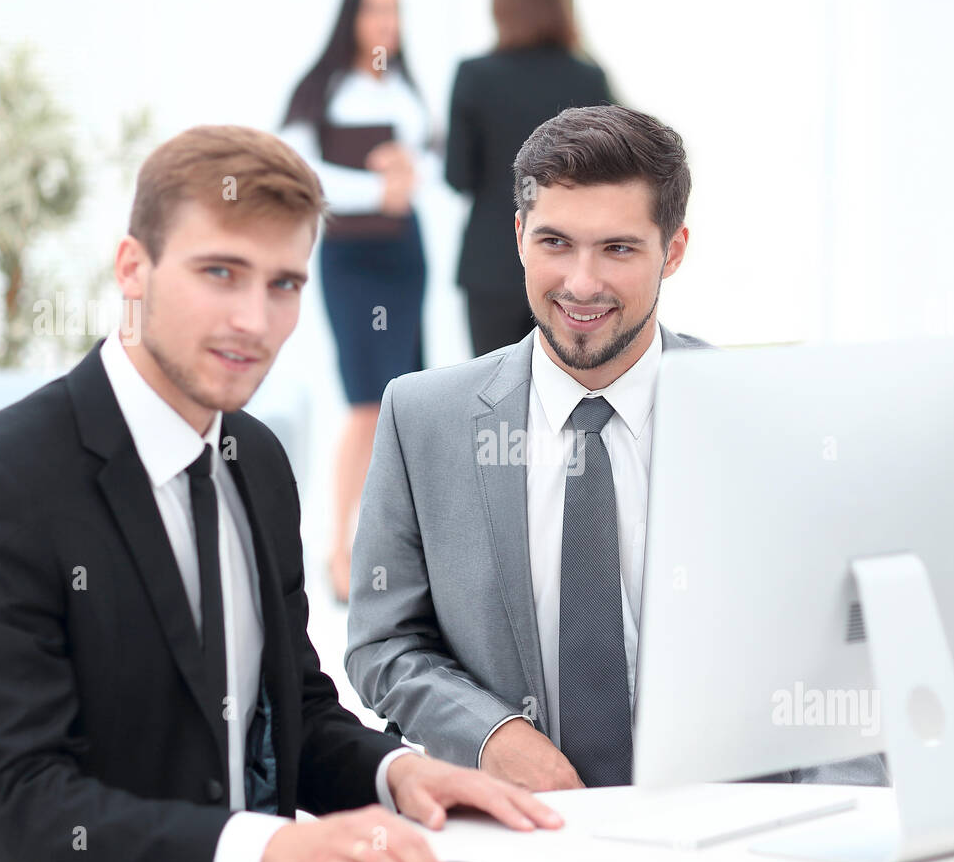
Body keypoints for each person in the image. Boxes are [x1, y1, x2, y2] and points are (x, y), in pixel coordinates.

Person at [0, 124, 559, 862]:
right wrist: (268, 848)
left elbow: (290, 711)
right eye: (221, 272)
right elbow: (16, 804)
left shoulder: (257, 460)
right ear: (132, 269)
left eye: (283, 284)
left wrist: (397, 773)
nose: (255, 319)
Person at [346, 105, 889, 791]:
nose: (580, 283)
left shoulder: (773, 417)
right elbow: (385, 643)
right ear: (518, 236)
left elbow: (839, 660)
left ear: (676, 250)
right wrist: (491, 735)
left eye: (618, 249)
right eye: (555, 243)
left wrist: (842, 831)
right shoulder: (423, 418)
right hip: (522, 836)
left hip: (732, 839)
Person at [280, 0, 438, 604]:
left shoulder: (406, 88)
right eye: (376, 13)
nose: (386, 26)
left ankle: (396, 555)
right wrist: (380, 187)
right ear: (351, 20)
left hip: (404, 257)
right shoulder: (321, 91)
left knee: (404, 401)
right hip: (353, 259)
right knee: (367, 404)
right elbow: (301, 176)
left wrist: (406, 170)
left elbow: (425, 159)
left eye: (394, 13)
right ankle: (339, 550)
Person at [446, 0, 612, 357]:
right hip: (570, 264)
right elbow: (607, 177)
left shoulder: (474, 75)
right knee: (565, 389)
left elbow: (457, 176)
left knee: (492, 394)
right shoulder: (588, 78)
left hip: (490, 263)